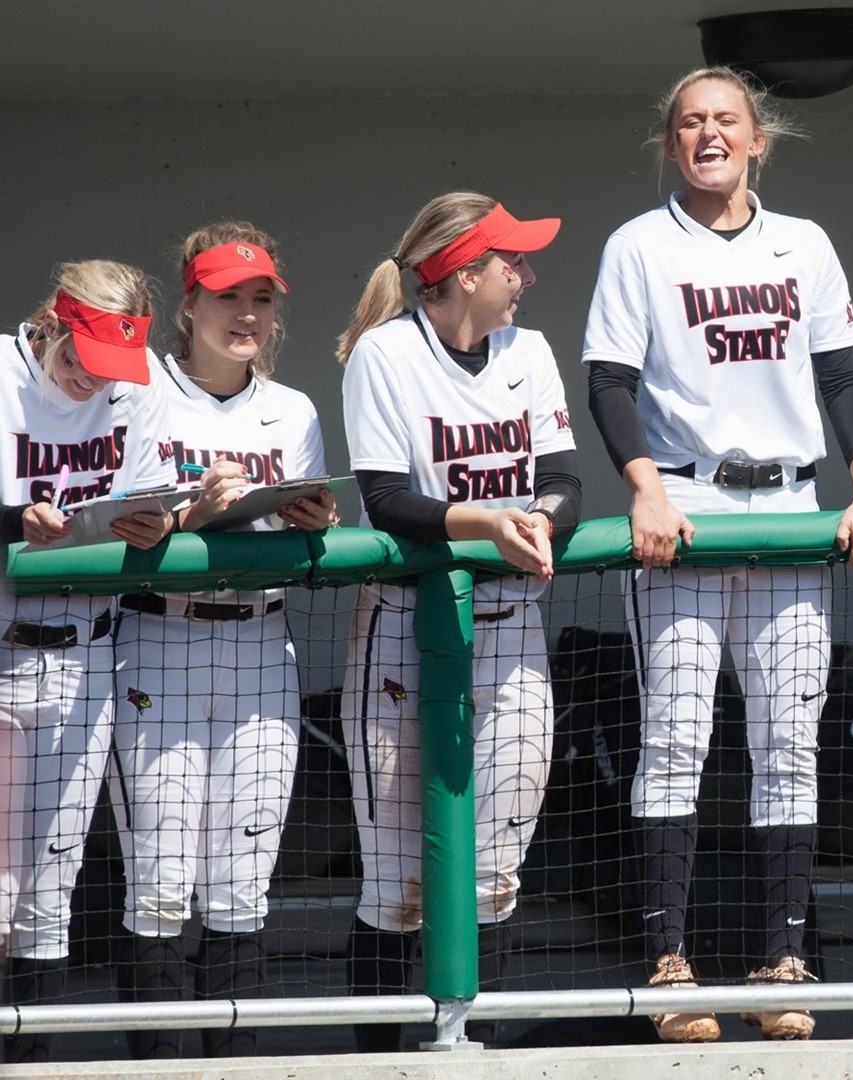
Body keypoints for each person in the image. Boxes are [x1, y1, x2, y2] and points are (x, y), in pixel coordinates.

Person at [581, 66, 853, 1043]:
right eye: (689, 124)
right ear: (670, 145)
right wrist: (645, 487)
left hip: (792, 512)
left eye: (727, 121)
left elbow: (843, 374)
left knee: (786, 749)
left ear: (760, 139)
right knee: (674, 742)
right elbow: (608, 380)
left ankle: (783, 958)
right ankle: (671, 963)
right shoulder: (639, 244)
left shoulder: (805, 243)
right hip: (687, 512)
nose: (709, 134)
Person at [336, 192, 580, 1051]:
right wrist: (487, 521)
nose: (525, 274)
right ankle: (380, 1064)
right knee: (398, 884)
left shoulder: (530, 349)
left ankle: (482, 1054)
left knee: (493, 878)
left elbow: (564, 480)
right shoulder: (385, 353)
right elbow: (386, 499)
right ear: (464, 272)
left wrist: (541, 519)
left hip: (513, 627)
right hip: (409, 626)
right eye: (510, 261)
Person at [107, 224, 337, 1058]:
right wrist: (185, 518)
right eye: (227, 296)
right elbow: (114, 528)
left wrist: (314, 523)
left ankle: (232, 1068)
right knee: (162, 885)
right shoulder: (138, 394)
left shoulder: (293, 410)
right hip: (158, 639)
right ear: (190, 301)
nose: (246, 314)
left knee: (242, 888)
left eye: (260, 299)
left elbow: (308, 546)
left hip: (259, 640)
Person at [0, 260, 176, 1063]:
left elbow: (150, 502)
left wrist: (154, 529)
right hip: (3, 652)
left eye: (108, 366)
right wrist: (12, 522)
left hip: (88, 662)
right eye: (80, 358)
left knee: (48, 897)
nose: (88, 381)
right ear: (56, 323)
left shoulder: (134, 393)